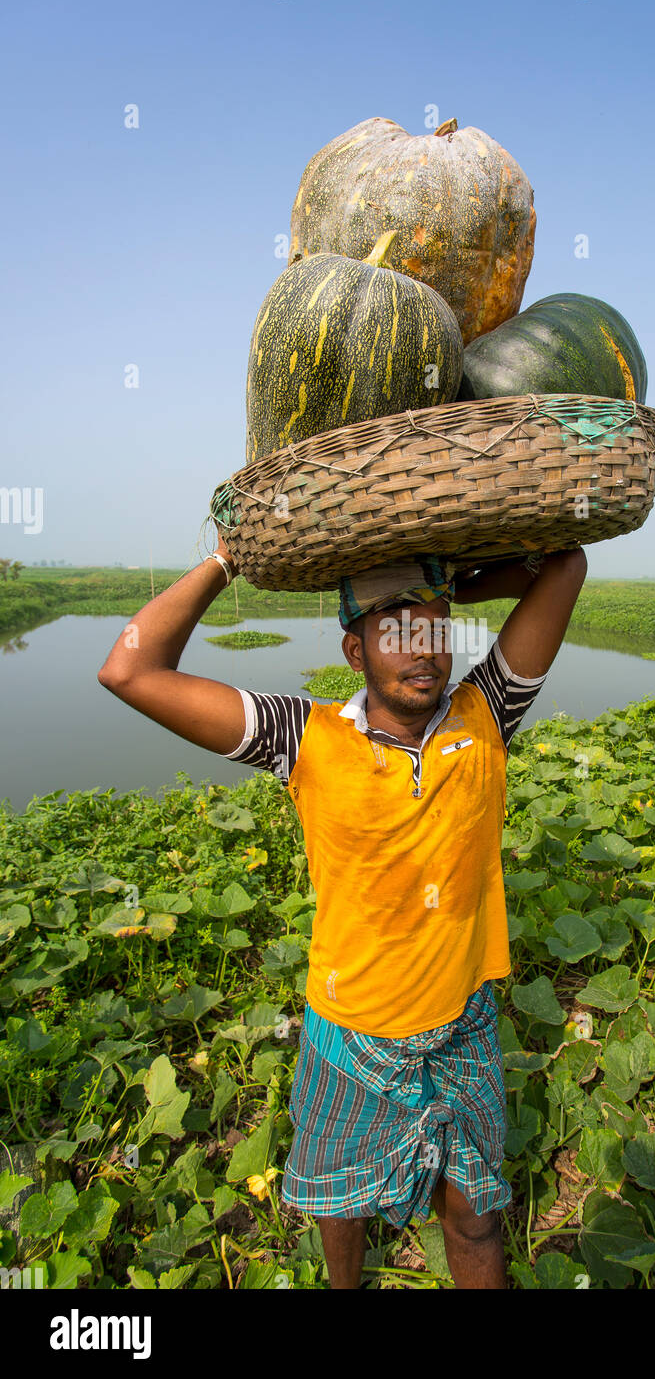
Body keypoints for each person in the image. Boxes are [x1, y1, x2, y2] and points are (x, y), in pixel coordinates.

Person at [97, 538, 587, 1289]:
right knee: (341, 1209)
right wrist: (226, 561)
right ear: (355, 652)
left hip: (464, 1025)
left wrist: (451, 583)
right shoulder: (305, 736)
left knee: (476, 1217)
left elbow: (566, 564)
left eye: (434, 630)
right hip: (349, 1032)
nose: (422, 651)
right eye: (394, 631)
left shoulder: (485, 715)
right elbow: (128, 670)